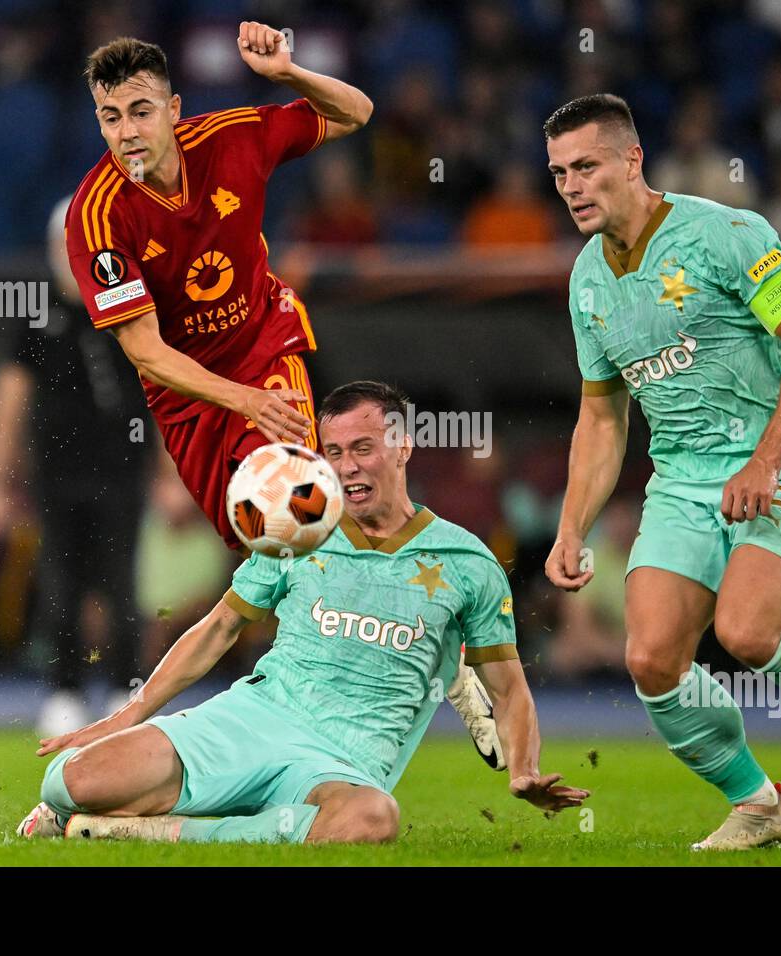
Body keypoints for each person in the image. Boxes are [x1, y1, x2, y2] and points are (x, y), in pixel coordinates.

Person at [63, 27, 502, 764]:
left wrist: (291, 72)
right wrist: (235, 401)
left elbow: (358, 111)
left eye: (140, 110)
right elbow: (145, 350)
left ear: (173, 107)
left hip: (266, 345)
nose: (127, 132)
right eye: (110, 116)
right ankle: (404, 660)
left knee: (314, 506)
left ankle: (444, 663)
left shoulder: (235, 137)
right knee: (276, 551)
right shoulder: (97, 217)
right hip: (190, 393)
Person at [542, 93, 781, 850]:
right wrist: (570, 526)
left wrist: (767, 460)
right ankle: (757, 802)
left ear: (632, 159)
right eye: (558, 173)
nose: (572, 186)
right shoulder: (586, 280)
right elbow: (602, 416)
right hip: (682, 484)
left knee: (749, 634)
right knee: (651, 659)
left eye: (586, 166)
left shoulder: (729, 233)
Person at [16, 382, 588, 845]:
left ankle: (154, 834)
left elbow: (509, 688)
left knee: (372, 819)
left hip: (341, 763)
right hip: (255, 719)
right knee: (71, 780)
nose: (348, 468)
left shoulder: (467, 561)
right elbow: (220, 628)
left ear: (403, 447)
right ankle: (155, 824)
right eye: (334, 453)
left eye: (364, 449)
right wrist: (128, 713)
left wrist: (523, 770)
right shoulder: (299, 530)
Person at [0, 196, 151, 734]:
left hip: (123, 473)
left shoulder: (131, 313)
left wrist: (173, 474)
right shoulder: (38, 320)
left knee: (123, 584)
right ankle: (64, 690)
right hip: (57, 476)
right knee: (61, 586)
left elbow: (165, 391)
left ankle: (128, 687)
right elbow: (9, 401)